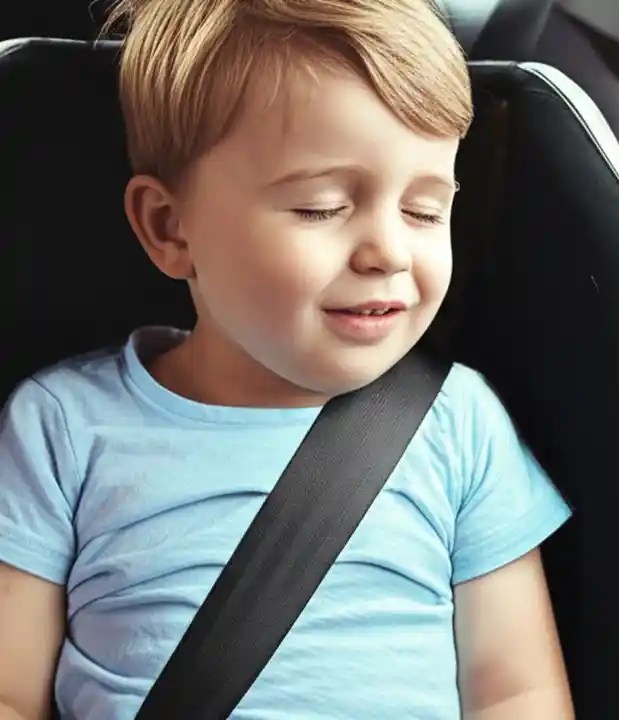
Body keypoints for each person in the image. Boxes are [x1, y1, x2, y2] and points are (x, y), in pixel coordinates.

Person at [0, 1, 575, 718]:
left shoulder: (459, 426)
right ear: (169, 227)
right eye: (321, 206)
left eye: (426, 211)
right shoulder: (61, 427)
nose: (390, 252)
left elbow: (516, 693)